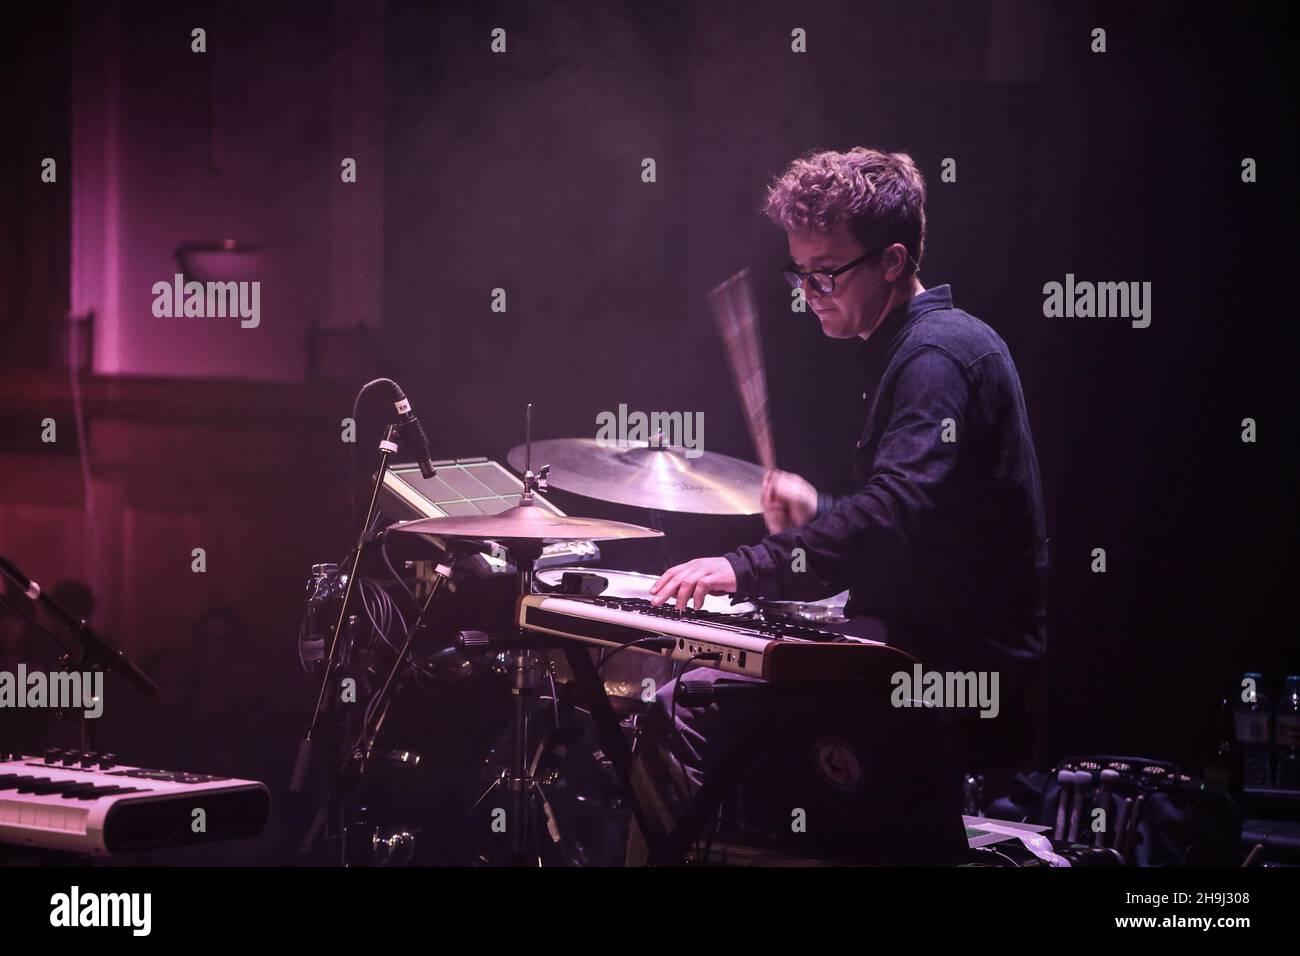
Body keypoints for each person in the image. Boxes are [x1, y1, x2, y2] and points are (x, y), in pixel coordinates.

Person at [627, 147, 1050, 864]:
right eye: (800, 273)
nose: (808, 291)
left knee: (679, 706)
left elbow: (894, 512)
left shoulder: (934, 357)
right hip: (922, 643)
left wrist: (746, 567)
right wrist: (821, 509)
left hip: (950, 665)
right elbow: (923, 515)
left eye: (826, 273)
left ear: (891, 261)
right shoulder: (920, 350)